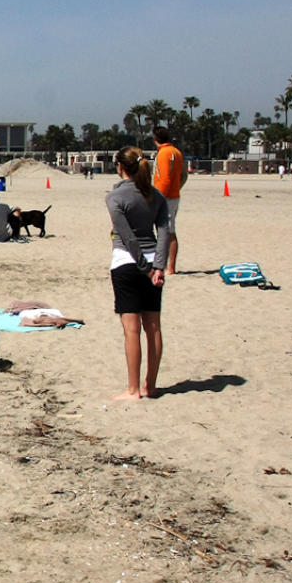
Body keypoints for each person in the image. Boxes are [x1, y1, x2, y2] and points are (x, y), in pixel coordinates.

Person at [106, 147, 170, 401]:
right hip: (153, 262)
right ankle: (150, 386)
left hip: (127, 264)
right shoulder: (156, 196)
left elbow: (127, 237)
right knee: (153, 326)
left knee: (132, 329)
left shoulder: (115, 197)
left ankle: (134, 389)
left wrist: (145, 267)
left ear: (121, 167)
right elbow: (164, 232)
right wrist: (159, 267)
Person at [151, 126, 188, 275]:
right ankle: (167, 265)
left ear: (155, 139)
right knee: (166, 231)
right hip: (174, 195)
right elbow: (184, 175)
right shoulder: (177, 152)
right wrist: (177, 188)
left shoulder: (164, 153)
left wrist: (158, 197)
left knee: (167, 231)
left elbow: (165, 178)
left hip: (165, 197)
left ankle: (170, 267)